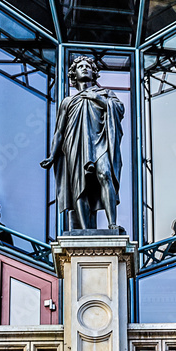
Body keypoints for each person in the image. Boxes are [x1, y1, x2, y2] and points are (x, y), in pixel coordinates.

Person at [41, 55, 124, 230]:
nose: (85, 68)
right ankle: (85, 230)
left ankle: (112, 224)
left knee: (105, 174)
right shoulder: (67, 101)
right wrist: (52, 155)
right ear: (74, 74)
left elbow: (119, 109)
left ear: (94, 73)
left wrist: (97, 98)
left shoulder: (105, 93)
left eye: (88, 66)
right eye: (80, 66)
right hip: (75, 144)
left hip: (100, 140)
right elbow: (59, 131)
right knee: (79, 186)